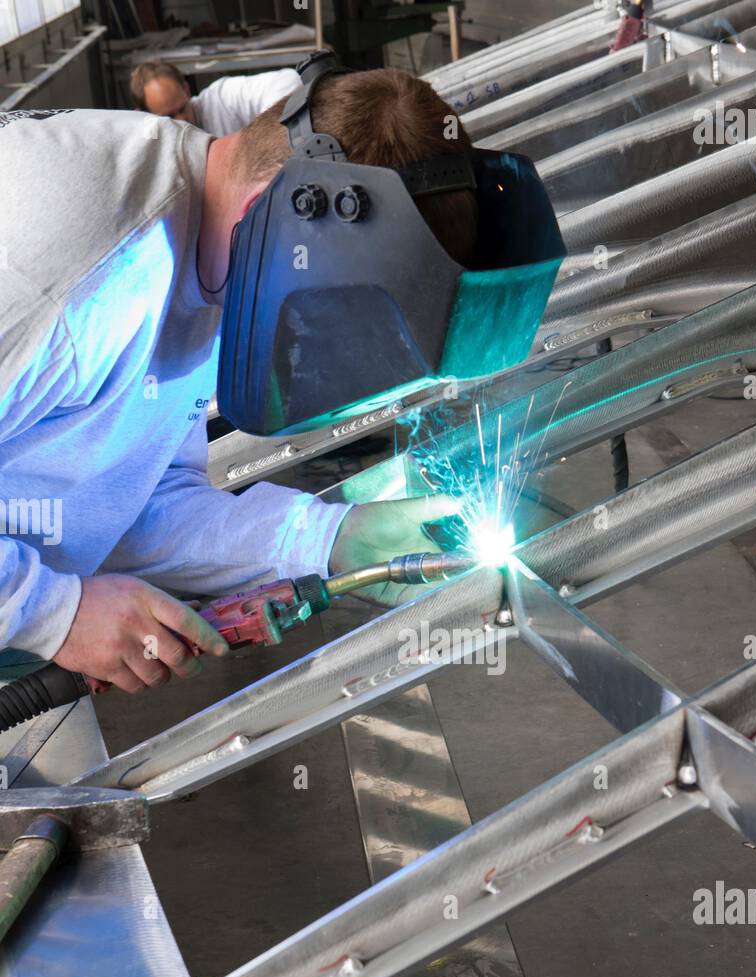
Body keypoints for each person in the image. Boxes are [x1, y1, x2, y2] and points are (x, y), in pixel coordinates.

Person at [0, 69, 478, 695]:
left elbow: (139, 504)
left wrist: (332, 538)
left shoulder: (213, 251)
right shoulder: (74, 268)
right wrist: (49, 612)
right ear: (277, 220)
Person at [129, 59, 301, 137]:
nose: (183, 120)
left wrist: (257, 138)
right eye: (170, 117)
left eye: (182, 108)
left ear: (186, 89)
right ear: (146, 116)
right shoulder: (158, 150)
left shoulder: (220, 98)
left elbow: (289, 80)